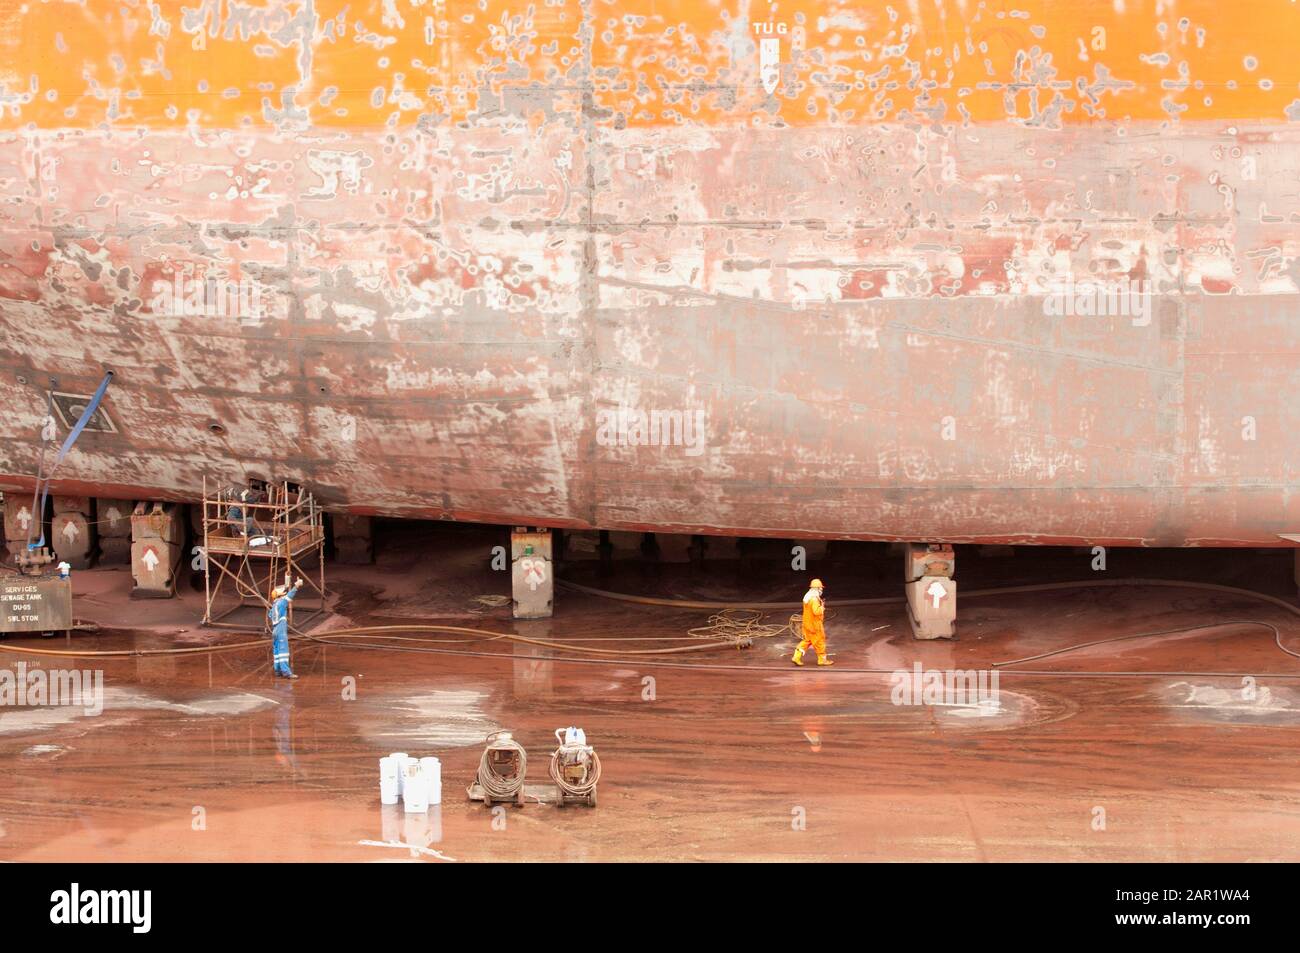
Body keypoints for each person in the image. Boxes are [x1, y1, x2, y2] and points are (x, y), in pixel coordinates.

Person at [792, 578, 833, 666]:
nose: (821, 590)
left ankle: (796, 656)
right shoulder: (814, 599)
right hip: (815, 625)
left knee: (807, 641)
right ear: (817, 589)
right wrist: (822, 607)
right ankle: (822, 660)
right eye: (821, 588)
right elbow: (816, 611)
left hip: (807, 624)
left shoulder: (807, 596)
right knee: (820, 641)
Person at [268, 577, 303, 679]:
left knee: (277, 651)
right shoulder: (281, 603)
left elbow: (270, 615)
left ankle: (278, 671)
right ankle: (287, 672)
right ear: (279, 596)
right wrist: (296, 585)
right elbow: (289, 596)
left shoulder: (273, 606)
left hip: (274, 630)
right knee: (283, 651)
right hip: (280, 629)